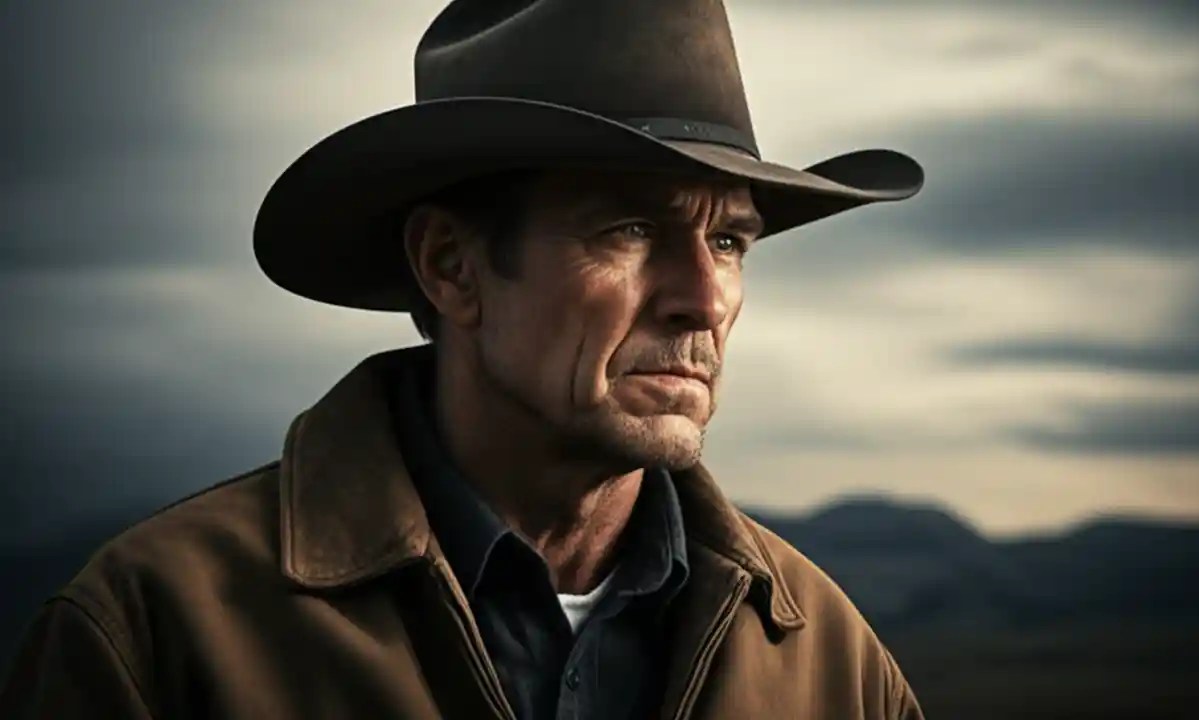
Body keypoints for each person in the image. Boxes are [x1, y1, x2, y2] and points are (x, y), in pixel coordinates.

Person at [0, 0, 926, 717]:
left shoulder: (831, 665)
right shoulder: (160, 632)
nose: (706, 297)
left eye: (730, 242)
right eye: (633, 227)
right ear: (451, 265)